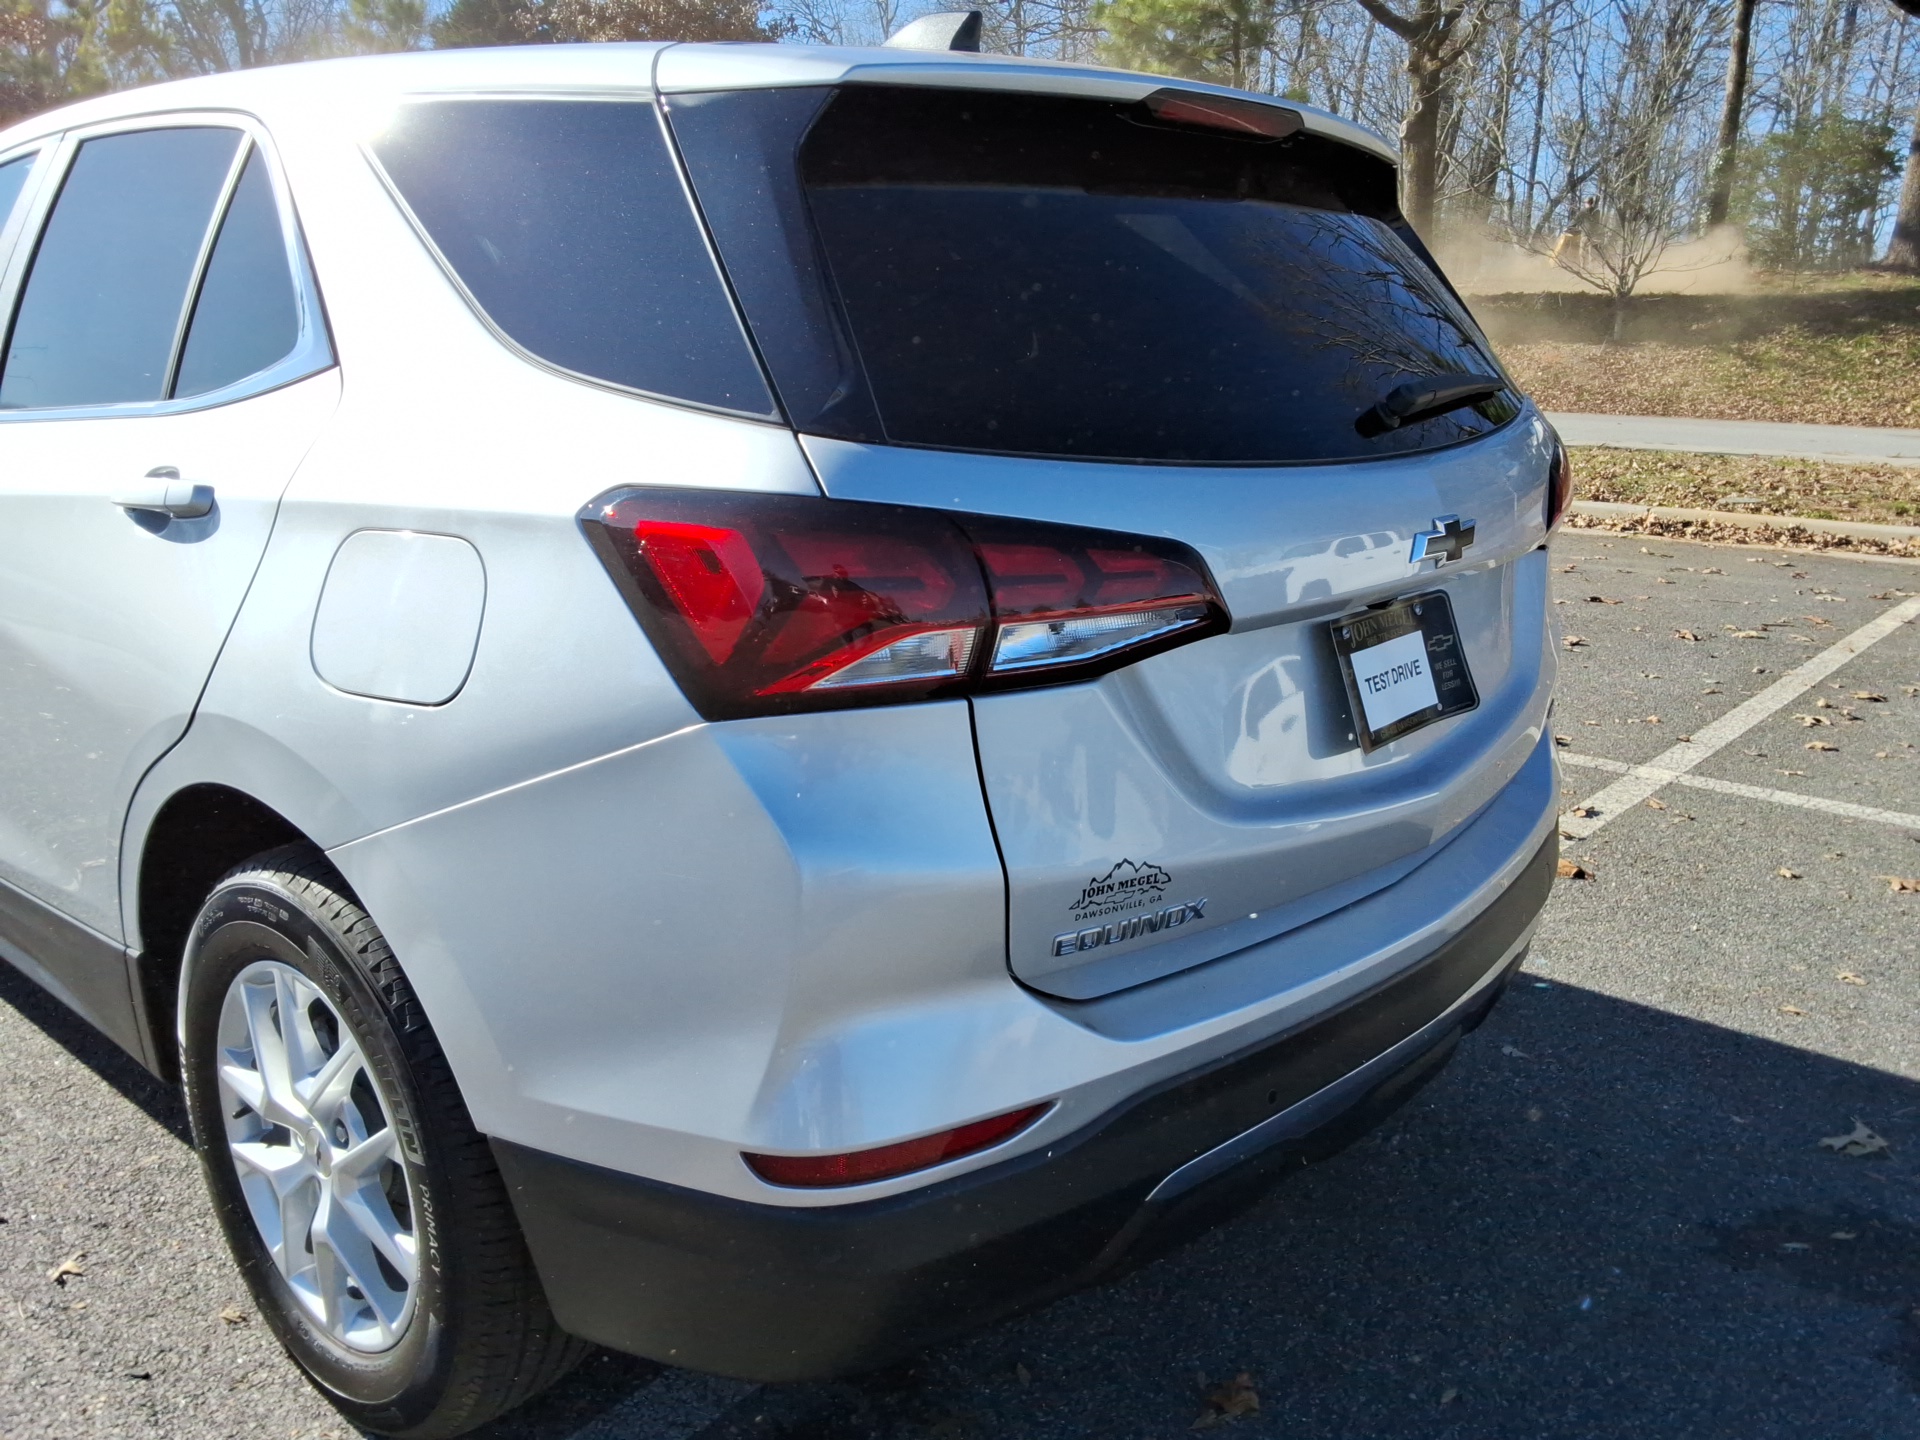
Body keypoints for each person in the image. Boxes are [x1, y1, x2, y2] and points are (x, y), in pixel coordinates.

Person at [1552, 196, 1599, 268]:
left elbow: (1575, 221)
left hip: (1585, 235)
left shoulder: (1583, 211)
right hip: (1595, 236)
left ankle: (1583, 268)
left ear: (1587, 203)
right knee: (1592, 253)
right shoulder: (1597, 212)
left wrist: (1568, 228)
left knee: (1582, 253)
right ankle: (1592, 268)